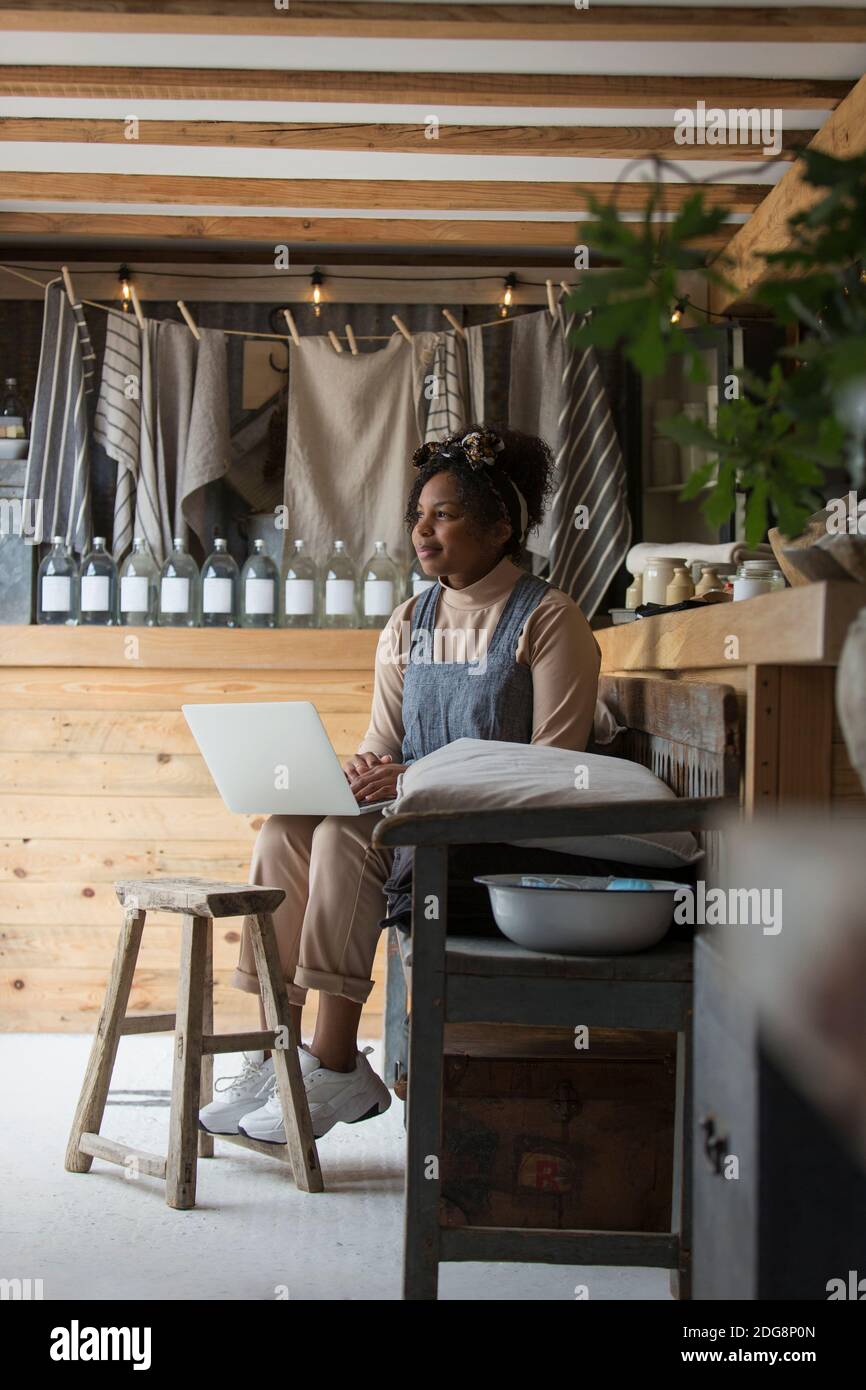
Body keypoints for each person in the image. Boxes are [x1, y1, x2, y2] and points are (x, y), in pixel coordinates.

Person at [199, 424, 601, 1142]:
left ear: (500, 527)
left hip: (495, 834)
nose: (422, 529)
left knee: (348, 837)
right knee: (289, 828)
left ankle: (336, 1062)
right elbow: (382, 744)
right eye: (418, 514)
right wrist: (357, 770)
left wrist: (411, 776)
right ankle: (282, 1053)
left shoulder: (549, 617)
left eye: (443, 514)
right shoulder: (409, 620)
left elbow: (555, 767)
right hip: (409, 813)